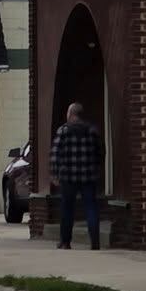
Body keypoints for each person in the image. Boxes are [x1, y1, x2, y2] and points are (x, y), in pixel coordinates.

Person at [51, 102, 105, 250]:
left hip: (68, 177)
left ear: (72, 114)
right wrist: (97, 169)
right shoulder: (92, 131)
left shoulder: (63, 131)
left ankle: (65, 242)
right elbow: (100, 152)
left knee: (67, 208)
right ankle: (95, 242)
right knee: (91, 207)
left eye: (68, 113)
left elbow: (55, 154)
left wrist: (55, 173)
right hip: (88, 176)